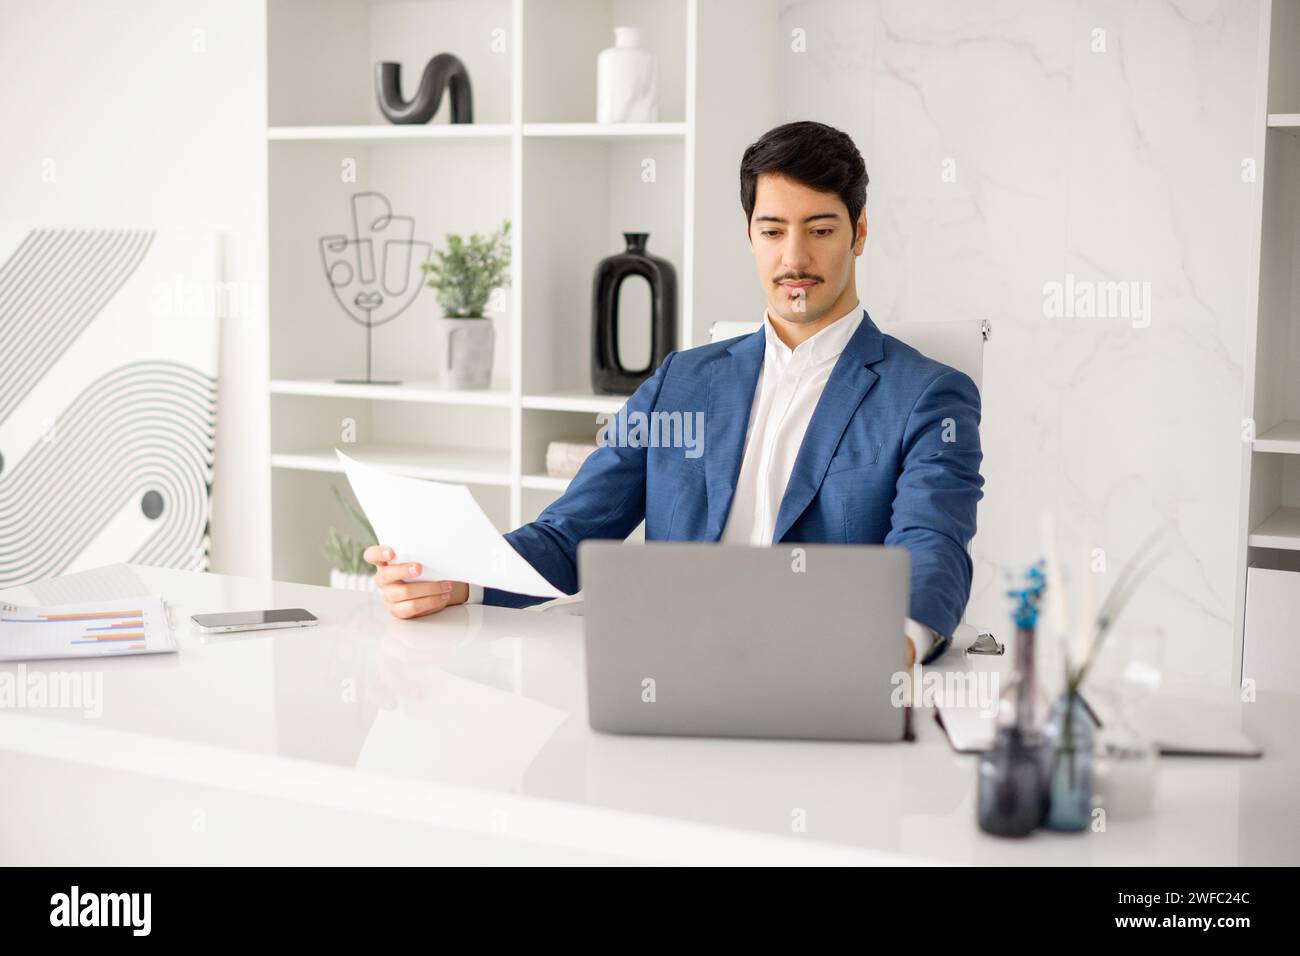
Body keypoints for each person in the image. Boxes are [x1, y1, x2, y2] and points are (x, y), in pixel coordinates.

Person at [365, 120, 984, 667]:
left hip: (821, 675)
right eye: (772, 230)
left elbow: (932, 546)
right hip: (669, 672)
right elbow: (570, 533)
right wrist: (457, 578)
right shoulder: (679, 383)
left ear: (859, 232)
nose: (794, 258)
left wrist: (896, 642)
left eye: (820, 229)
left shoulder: (929, 397)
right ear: (750, 234)